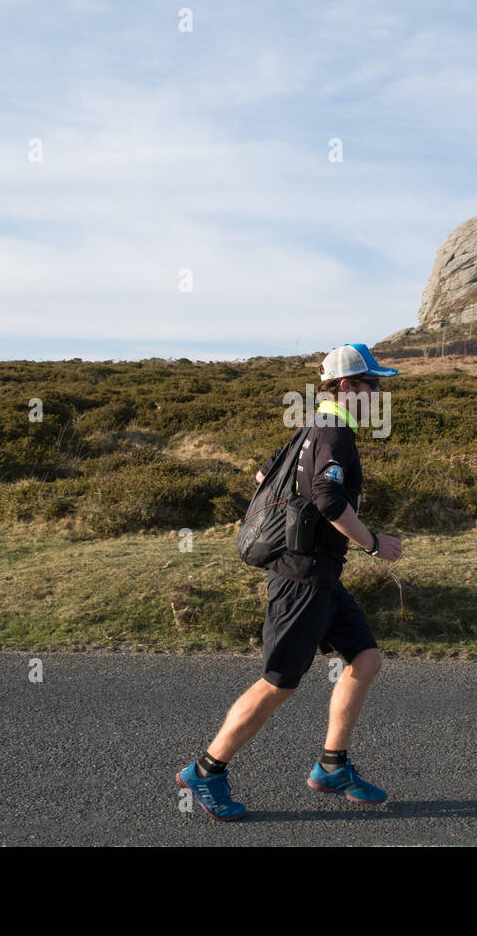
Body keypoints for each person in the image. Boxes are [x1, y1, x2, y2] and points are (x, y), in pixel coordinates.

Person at [176, 343, 404, 820]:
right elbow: (326, 497)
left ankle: (331, 765)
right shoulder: (334, 430)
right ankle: (206, 770)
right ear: (347, 387)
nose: (378, 393)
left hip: (321, 574)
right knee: (279, 682)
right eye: (372, 385)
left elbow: (264, 474)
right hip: (302, 578)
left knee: (366, 658)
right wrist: (372, 543)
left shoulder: (310, 425)